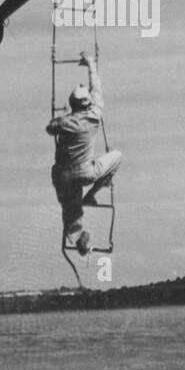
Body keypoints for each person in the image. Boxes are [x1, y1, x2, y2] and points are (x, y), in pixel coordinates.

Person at [47, 52, 121, 256]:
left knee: (71, 215)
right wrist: (90, 64)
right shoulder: (95, 114)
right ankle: (91, 196)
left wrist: (63, 117)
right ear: (87, 103)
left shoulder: (65, 122)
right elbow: (96, 88)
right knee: (116, 157)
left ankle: (79, 238)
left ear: (72, 104)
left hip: (63, 177)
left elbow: (50, 128)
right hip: (86, 173)